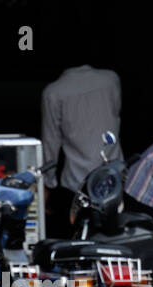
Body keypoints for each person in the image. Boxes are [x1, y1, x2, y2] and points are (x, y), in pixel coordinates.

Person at [41, 64, 122, 237]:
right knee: (114, 233)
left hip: (76, 181)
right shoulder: (110, 79)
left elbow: (51, 141)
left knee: (79, 234)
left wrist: (47, 185)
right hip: (113, 174)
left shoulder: (54, 92)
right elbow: (116, 113)